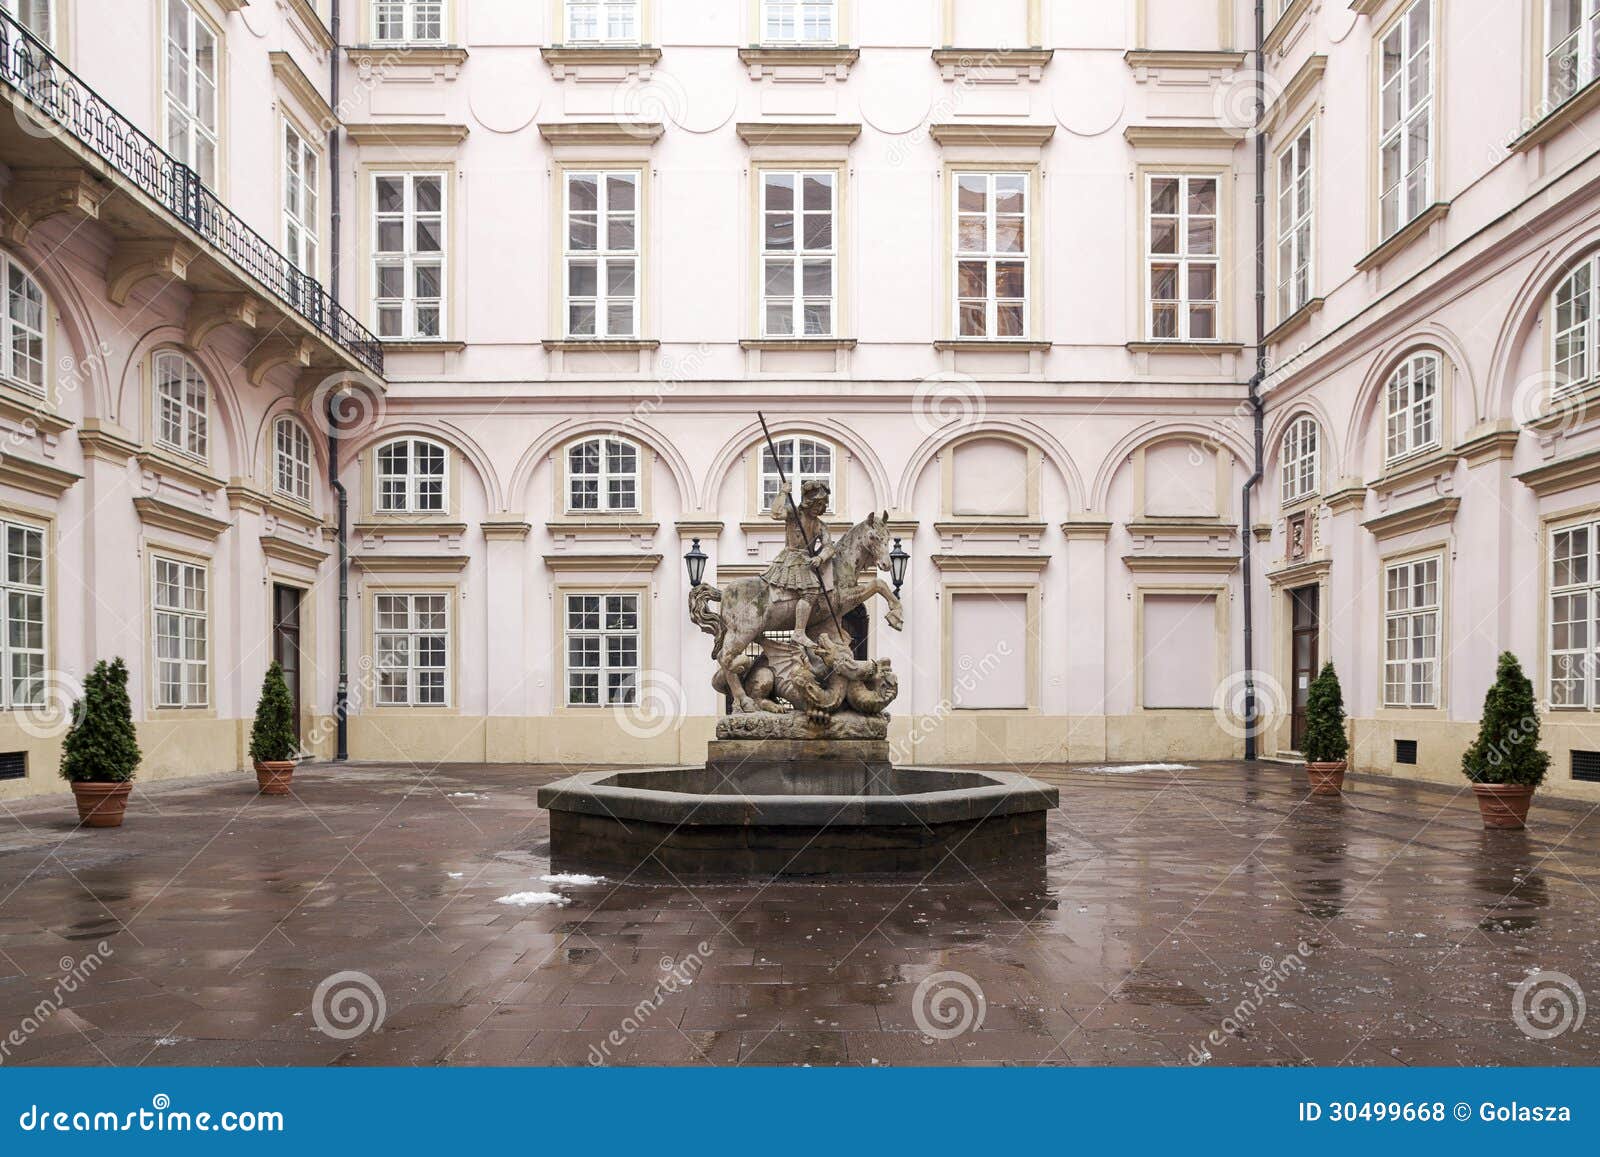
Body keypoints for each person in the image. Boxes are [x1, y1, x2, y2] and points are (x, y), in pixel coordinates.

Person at [762, 477, 835, 652]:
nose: (819, 508)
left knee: (812, 591)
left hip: (807, 560)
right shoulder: (794, 514)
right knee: (810, 591)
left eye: (822, 505)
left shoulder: (820, 525)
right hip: (791, 557)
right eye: (817, 504)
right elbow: (775, 514)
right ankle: (799, 633)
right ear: (809, 502)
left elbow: (829, 547)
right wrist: (782, 493)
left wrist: (821, 558)